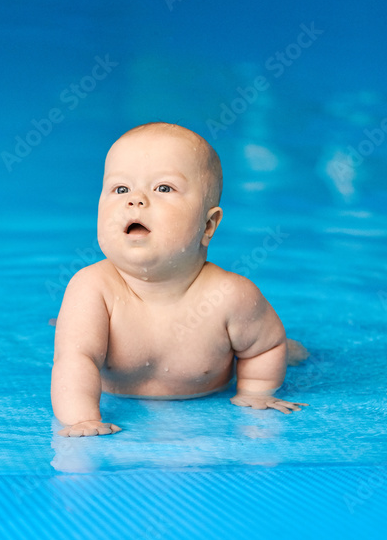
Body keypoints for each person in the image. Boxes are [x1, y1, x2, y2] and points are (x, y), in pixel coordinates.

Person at [51, 122, 308, 437]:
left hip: (211, 402)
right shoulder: (92, 289)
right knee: (74, 336)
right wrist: (81, 419)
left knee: (293, 352)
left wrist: (256, 390)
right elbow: (75, 359)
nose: (136, 200)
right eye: (121, 189)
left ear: (208, 224)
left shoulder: (229, 295)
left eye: (163, 188)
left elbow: (265, 348)